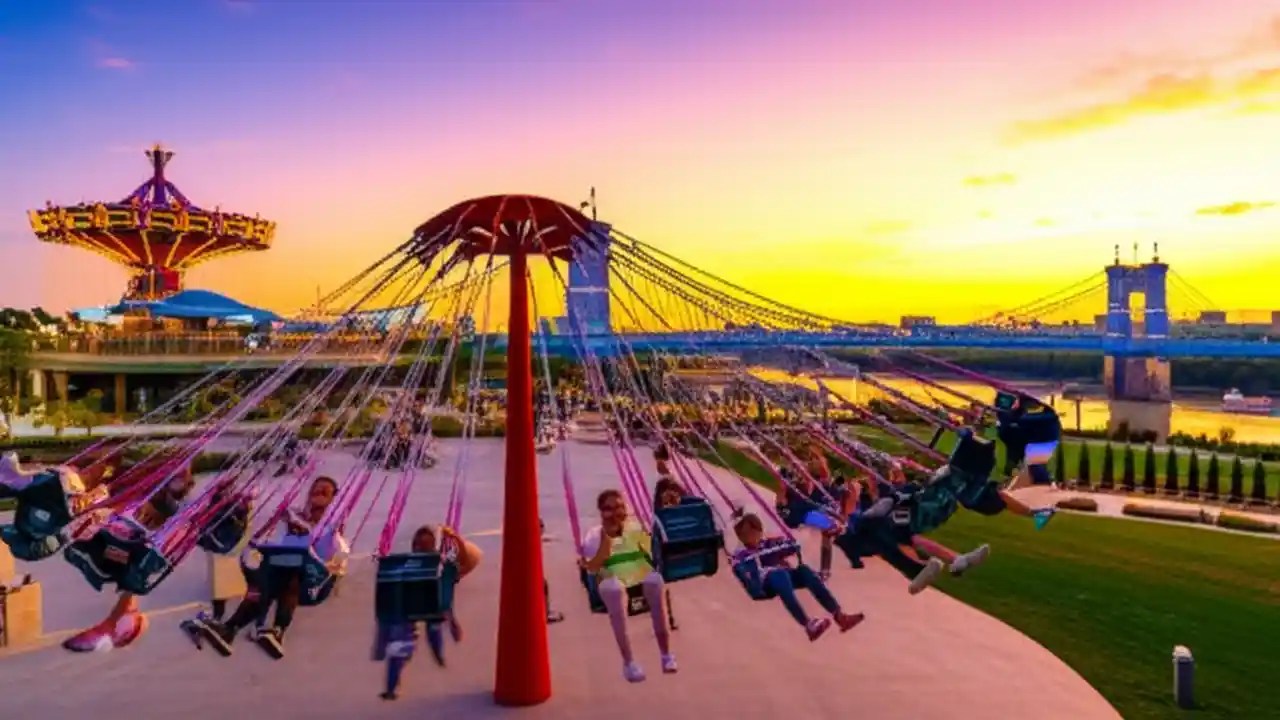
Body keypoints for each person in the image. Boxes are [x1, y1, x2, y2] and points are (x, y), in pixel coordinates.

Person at [187, 476, 348, 658]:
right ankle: (230, 630)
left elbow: (333, 552)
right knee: (260, 587)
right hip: (281, 569)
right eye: (315, 490)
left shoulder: (332, 524)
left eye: (324, 491)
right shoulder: (294, 515)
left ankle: (278, 631)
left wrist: (308, 530)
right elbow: (272, 540)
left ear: (333, 497)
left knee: (291, 579)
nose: (318, 493)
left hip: (312, 579)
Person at [62, 463, 194, 652]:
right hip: (124, 534)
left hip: (139, 538)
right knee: (95, 548)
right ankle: (122, 616)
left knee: (130, 566)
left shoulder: (167, 504)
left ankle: (122, 618)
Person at [376, 523, 482, 700]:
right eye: (417, 545)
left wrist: (455, 538)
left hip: (429, 608)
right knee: (401, 648)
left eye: (425, 545)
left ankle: (437, 656)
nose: (420, 548)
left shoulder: (443, 567)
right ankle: (392, 687)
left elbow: (462, 560)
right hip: (408, 610)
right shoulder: (410, 565)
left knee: (433, 628)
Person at [580, 489, 675, 683]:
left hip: (635, 574)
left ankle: (666, 654)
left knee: (655, 581)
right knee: (614, 589)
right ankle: (629, 662)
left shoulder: (634, 528)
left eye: (620, 507)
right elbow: (592, 566)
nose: (615, 513)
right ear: (601, 512)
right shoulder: (594, 535)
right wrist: (607, 540)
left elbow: (651, 554)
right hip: (609, 575)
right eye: (609, 509)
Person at [729, 510, 864, 641]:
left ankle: (839, 616)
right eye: (746, 535)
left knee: (804, 571)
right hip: (763, 585)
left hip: (781, 578)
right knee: (779, 574)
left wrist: (791, 544)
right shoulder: (741, 554)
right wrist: (745, 567)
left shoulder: (767, 543)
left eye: (753, 534)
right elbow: (744, 573)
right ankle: (808, 624)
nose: (751, 538)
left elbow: (788, 548)